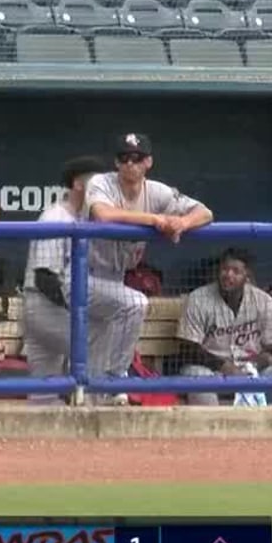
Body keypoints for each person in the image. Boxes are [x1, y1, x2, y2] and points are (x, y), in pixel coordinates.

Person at [84, 133, 213, 404]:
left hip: (111, 284)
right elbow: (103, 215)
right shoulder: (101, 182)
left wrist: (182, 223)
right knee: (135, 303)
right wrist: (155, 219)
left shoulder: (157, 191)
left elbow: (205, 212)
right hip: (79, 276)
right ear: (116, 163)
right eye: (124, 158)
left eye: (137, 158)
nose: (130, 164)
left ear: (148, 162)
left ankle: (96, 407)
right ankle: (117, 376)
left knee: (91, 365)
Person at [19, 156, 108, 404]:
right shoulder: (55, 217)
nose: (104, 187)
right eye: (97, 181)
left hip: (49, 307)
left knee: (43, 386)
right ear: (78, 184)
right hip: (45, 305)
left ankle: (43, 436)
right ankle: (91, 415)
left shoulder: (85, 219)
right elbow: (44, 277)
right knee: (92, 350)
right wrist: (78, 309)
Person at [176, 249, 272, 406]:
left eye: (236, 271)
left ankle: (271, 428)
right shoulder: (198, 298)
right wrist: (223, 366)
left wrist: (257, 364)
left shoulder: (263, 300)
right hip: (212, 372)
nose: (228, 275)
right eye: (224, 269)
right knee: (197, 378)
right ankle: (211, 429)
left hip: (252, 373)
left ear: (247, 276)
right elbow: (187, 349)